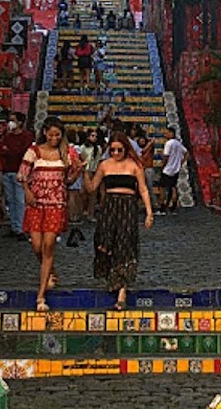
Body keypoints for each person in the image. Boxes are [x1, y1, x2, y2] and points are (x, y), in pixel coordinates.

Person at [19, 117, 82, 311]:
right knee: (37, 246)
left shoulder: (67, 153)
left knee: (48, 246)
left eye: (58, 135)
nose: (54, 138)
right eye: (51, 134)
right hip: (36, 203)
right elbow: (22, 175)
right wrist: (27, 192)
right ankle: (51, 272)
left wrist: (77, 172)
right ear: (45, 132)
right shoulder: (34, 151)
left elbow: (69, 180)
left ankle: (41, 294)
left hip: (56, 204)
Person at [87, 132, 154, 310]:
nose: (116, 153)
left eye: (120, 150)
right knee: (104, 242)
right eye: (113, 150)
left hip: (127, 208)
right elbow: (92, 187)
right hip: (109, 207)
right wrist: (83, 172)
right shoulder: (104, 165)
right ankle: (112, 276)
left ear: (126, 149)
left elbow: (144, 189)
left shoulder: (134, 166)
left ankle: (122, 291)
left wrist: (149, 212)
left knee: (125, 245)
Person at [0, 112, 36, 240]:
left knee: (20, 200)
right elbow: (1, 150)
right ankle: (14, 227)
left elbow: (23, 152)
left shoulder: (26, 136)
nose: (10, 123)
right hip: (7, 170)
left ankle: (21, 228)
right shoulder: (7, 136)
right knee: (11, 200)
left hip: (20, 171)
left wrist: (9, 151)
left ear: (20, 122)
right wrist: (9, 151)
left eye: (13, 120)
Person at [158, 126, 189, 214]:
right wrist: (180, 163)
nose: (165, 134)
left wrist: (163, 165)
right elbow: (186, 153)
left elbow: (166, 156)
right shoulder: (178, 143)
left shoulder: (168, 143)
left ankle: (162, 207)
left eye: (167, 133)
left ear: (171, 133)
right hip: (175, 169)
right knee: (173, 187)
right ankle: (173, 206)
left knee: (162, 188)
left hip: (168, 169)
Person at [79, 127, 105, 221]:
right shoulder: (83, 148)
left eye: (96, 136)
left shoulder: (98, 148)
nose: (94, 138)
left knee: (93, 194)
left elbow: (98, 161)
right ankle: (83, 210)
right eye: (92, 136)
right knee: (83, 193)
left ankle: (91, 213)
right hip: (85, 171)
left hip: (94, 171)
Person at [136, 132, 160, 214]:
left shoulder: (149, 149)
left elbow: (144, 151)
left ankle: (155, 206)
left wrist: (150, 142)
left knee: (150, 188)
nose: (142, 142)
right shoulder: (138, 150)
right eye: (140, 141)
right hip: (142, 169)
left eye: (143, 141)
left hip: (148, 169)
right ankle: (145, 205)